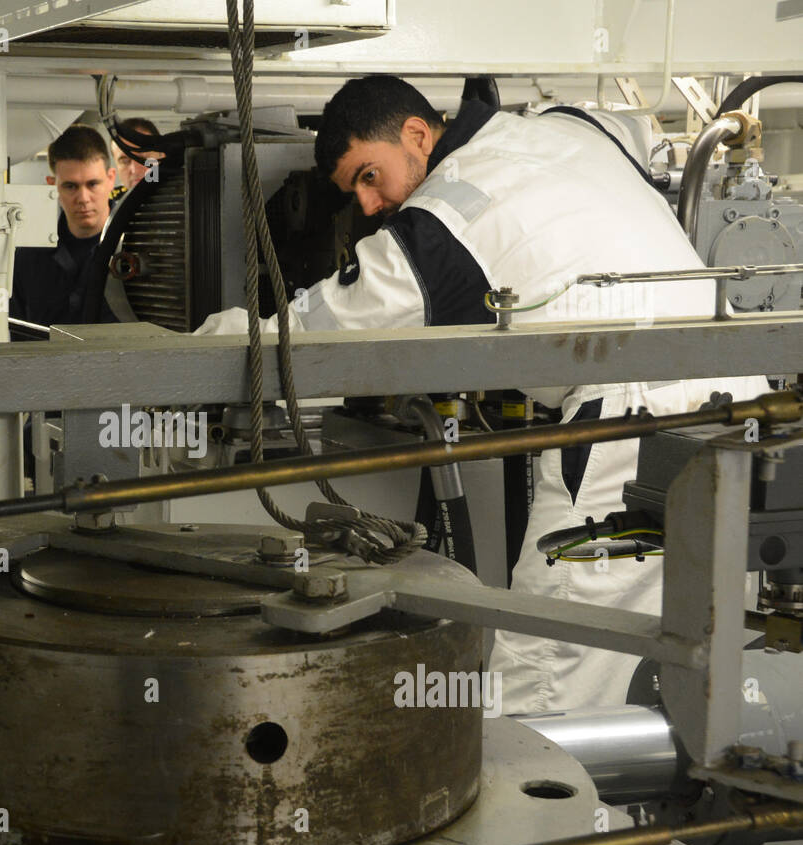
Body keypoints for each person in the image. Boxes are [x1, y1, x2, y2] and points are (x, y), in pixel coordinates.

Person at [200, 76, 767, 713]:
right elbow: (638, 132)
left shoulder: (442, 218)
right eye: (352, 190)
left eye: (368, 175)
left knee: (548, 670)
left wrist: (189, 353)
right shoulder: (566, 124)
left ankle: (553, 809)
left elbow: (313, 334)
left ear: (417, 134)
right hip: (744, 398)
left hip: (634, 429)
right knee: (712, 644)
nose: (365, 205)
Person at [9, 124, 118, 336]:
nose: (83, 198)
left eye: (92, 184)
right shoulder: (28, 258)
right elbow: (19, 340)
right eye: (71, 186)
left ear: (111, 179)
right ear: (53, 185)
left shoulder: (136, 247)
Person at [110, 118, 165, 199]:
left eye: (143, 160)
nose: (135, 170)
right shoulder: (107, 204)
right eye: (125, 161)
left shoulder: (185, 196)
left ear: (162, 157)